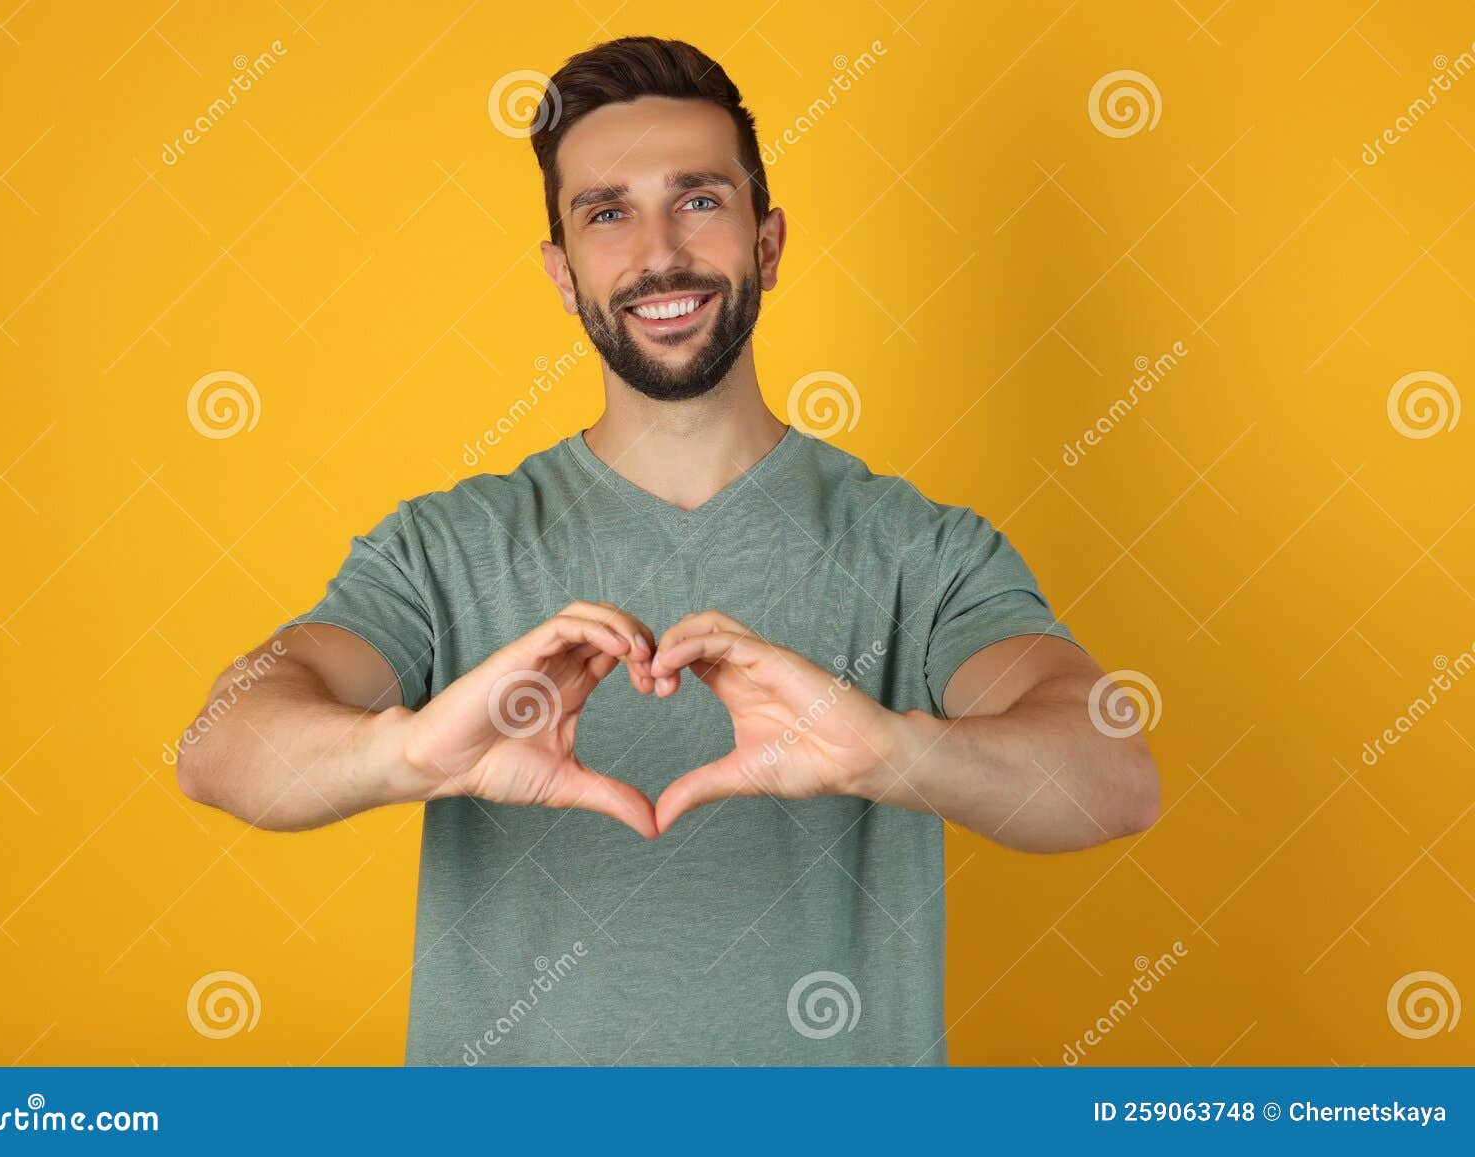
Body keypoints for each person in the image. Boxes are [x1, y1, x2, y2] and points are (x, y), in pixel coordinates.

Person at [174, 35, 1160, 1066]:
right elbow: (221, 738)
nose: (657, 252)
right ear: (562, 273)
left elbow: (1114, 770)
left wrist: (898, 752)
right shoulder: (445, 546)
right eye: (607, 211)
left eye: (697, 198)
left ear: (766, 243)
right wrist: (407, 751)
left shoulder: (918, 547)